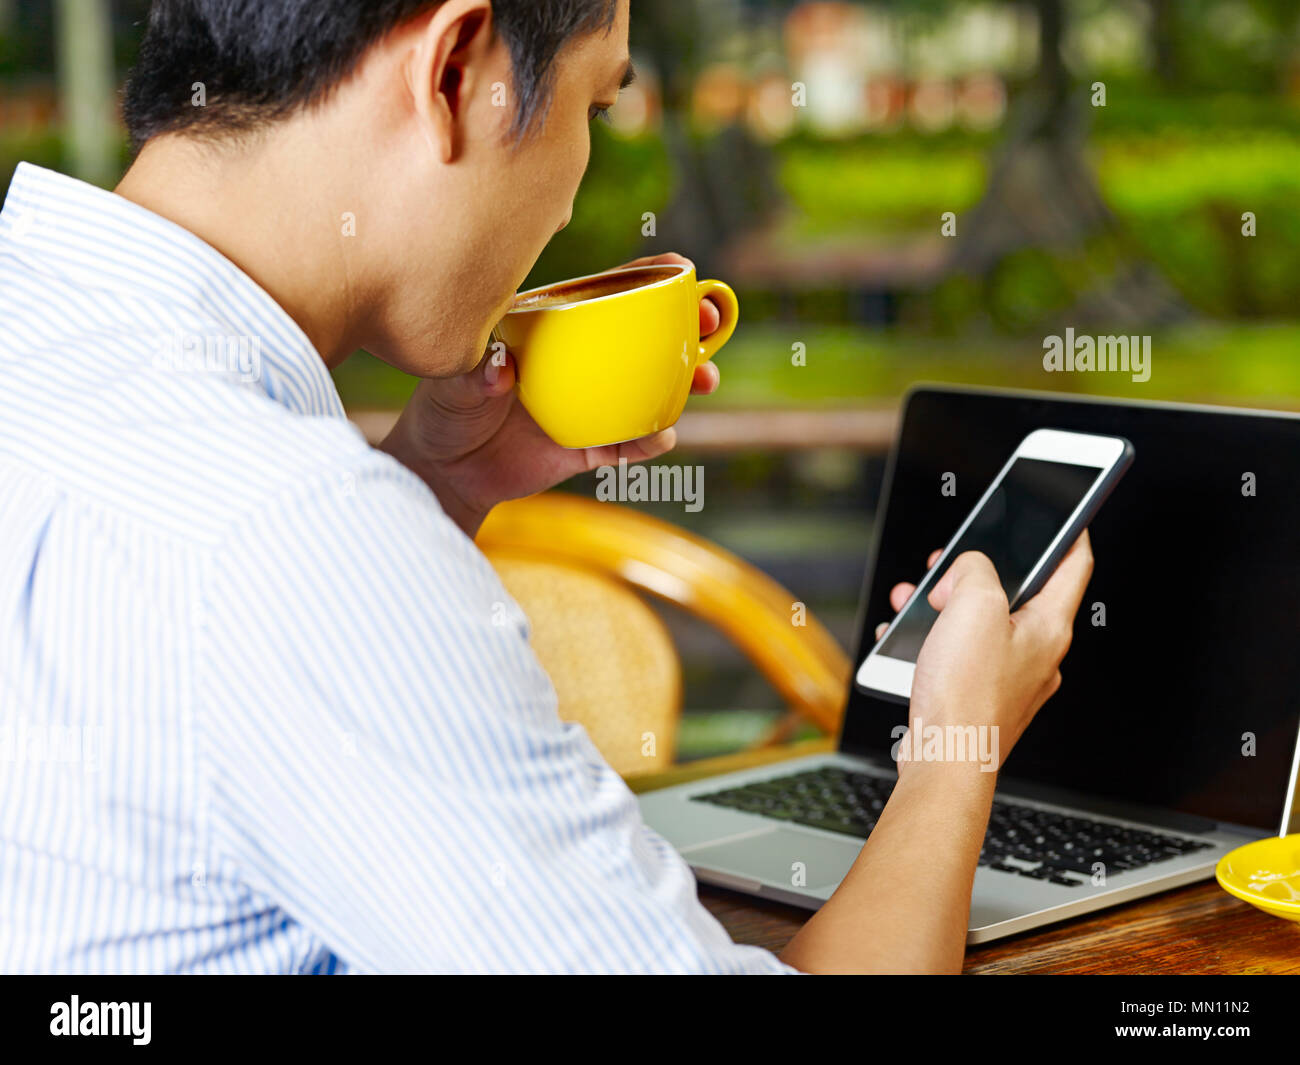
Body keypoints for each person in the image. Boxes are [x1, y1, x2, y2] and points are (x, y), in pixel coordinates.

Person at [0, 0, 1092, 974]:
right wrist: (957, 744)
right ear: (454, 74)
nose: (572, 204)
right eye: (595, 105)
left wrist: (434, 484)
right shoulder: (292, 528)